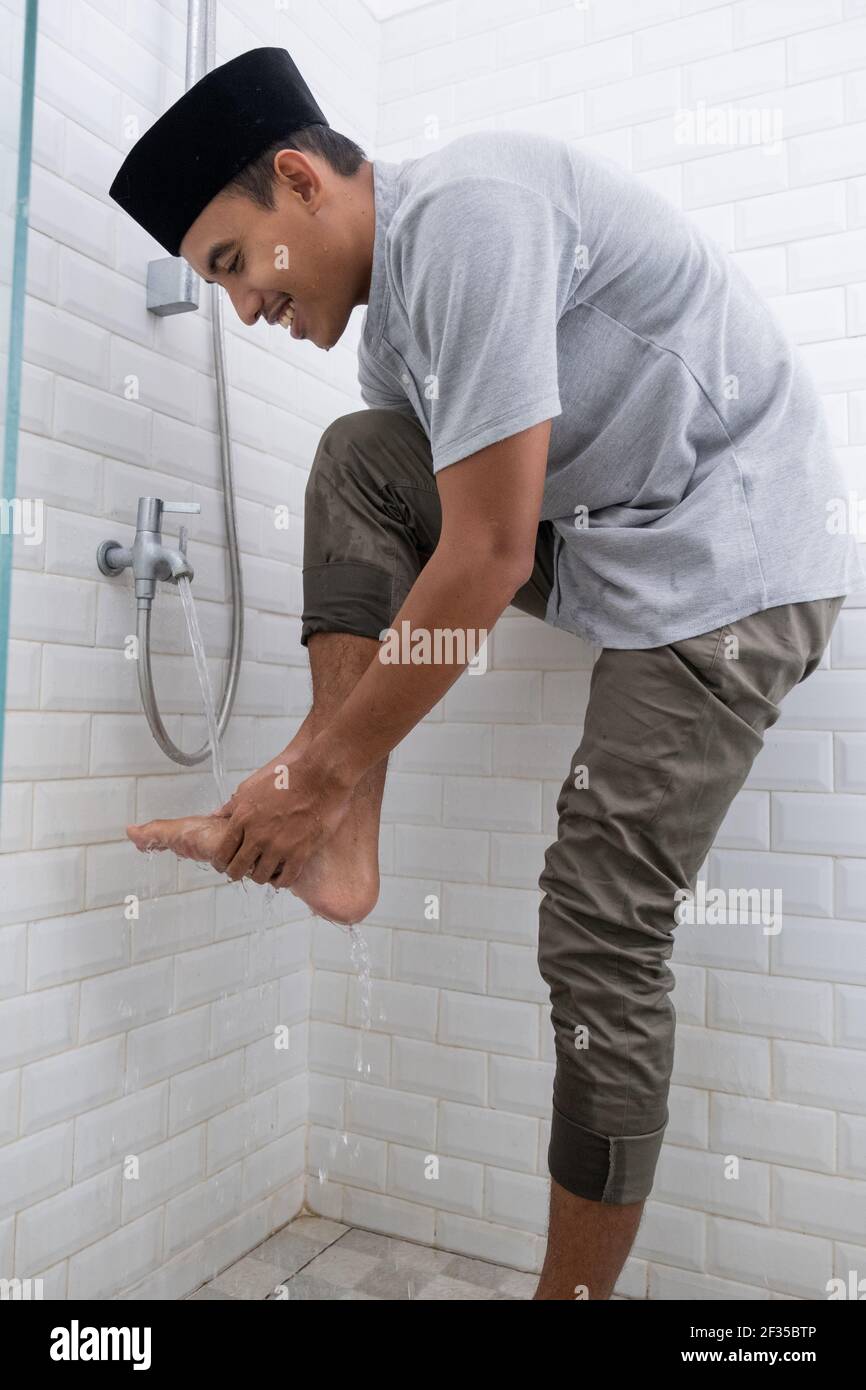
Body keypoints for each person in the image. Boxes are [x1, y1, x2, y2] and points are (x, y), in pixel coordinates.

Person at [111, 46, 865, 1300]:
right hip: (621, 549)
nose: (243, 308)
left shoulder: (469, 214)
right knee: (361, 457)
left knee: (598, 924)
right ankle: (340, 840)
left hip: (735, 562)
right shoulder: (392, 339)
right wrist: (326, 777)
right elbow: (442, 541)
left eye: (235, 263)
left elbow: (488, 552)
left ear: (297, 179)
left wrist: (305, 769)